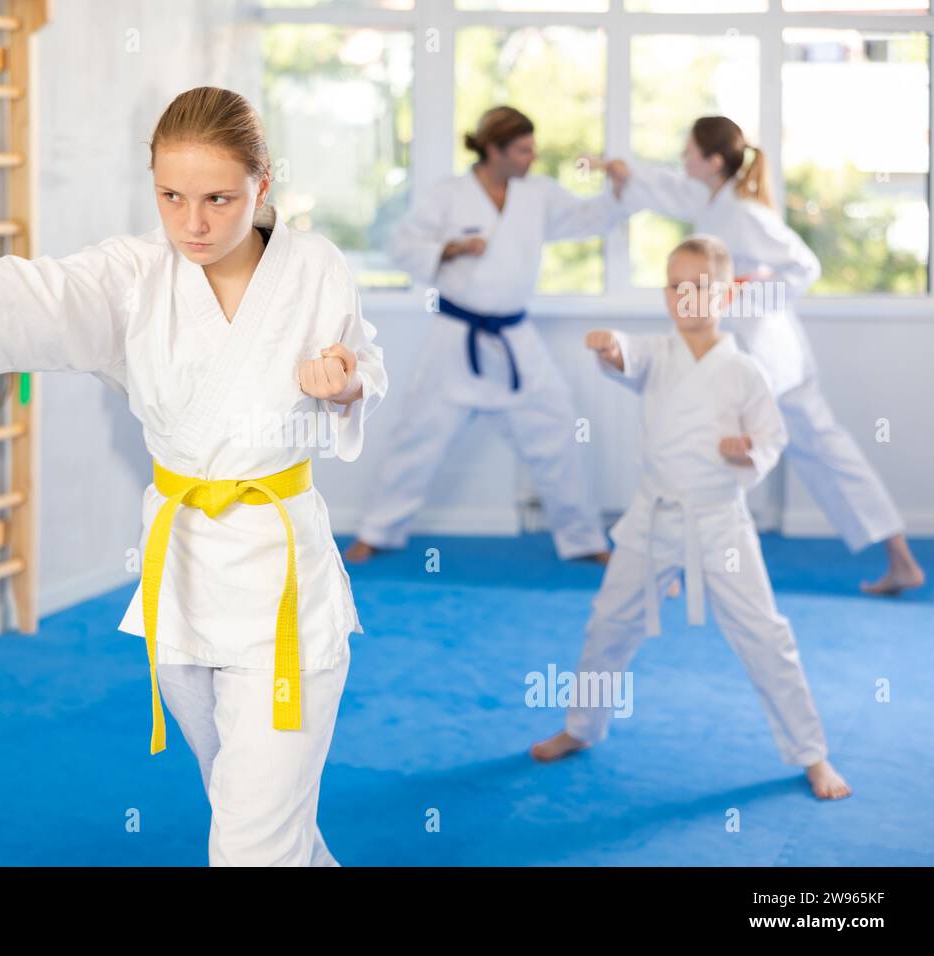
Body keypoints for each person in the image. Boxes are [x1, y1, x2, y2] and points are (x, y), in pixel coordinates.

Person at [0, 86, 389, 866]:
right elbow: (34, 297)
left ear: (264, 185)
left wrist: (346, 380)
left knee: (252, 844)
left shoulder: (317, 269)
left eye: (220, 198)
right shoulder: (133, 278)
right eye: (170, 196)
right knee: (257, 814)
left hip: (285, 597)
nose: (192, 222)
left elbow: (366, 364)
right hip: (183, 590)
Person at [529, 235, 850, 801]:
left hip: (719, 522)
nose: (688, 296)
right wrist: (611, 349)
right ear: (666, 294)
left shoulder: (746, 371)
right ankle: (581, 727)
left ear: (726, 294)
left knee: (765, 635)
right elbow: (629, 355)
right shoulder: (656, 352)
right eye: (677, 285)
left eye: (701, 286)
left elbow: (772, 438)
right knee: (608, 624)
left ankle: (812, 753)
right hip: (652, 518)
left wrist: (746, 451)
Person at [595, 115, 923, 596]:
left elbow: (804, 266)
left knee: (708, 450)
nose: (682, 158)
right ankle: (902, 562)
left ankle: (673, 568)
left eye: (688, 151)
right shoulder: (710, 199)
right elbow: (667, 187)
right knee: (825, 452)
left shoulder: (745, 215)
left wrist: (740, 294)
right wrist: (627, 173)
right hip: (771, 358)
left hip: (765, 359)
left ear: (711, 161)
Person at [345, 106, 630, 566]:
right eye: (523, 149)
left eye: (533, 148)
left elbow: (588, 220)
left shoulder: (537, 194)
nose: (532, 157)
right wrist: (450, 248)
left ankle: (585, 539)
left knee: (558, 431)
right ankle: (376, 532)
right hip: (455, 336)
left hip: (515, 336)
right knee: (417, 437)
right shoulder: (449, 195)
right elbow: (401, 246)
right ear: (494, 149)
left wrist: (617, 187)